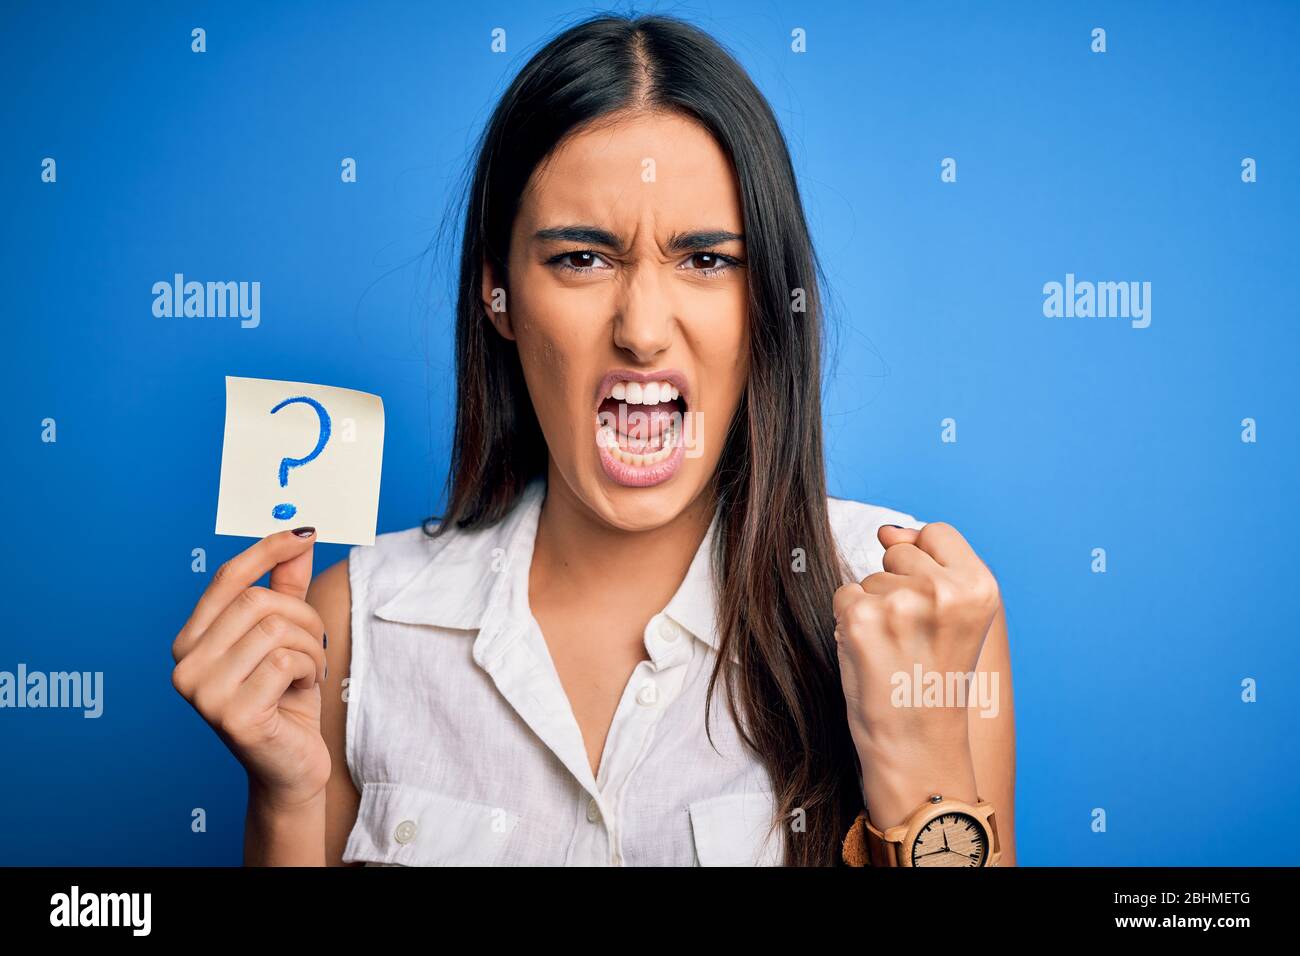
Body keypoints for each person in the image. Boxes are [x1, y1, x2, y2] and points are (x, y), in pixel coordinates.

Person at [171, 12, 1016, 866]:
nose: (643, 330)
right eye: (581, 258)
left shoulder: (919, 614)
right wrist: (287, 801)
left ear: (769, 304)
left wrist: (923, 772)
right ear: (499, 296)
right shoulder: (352, 625)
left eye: (708, 259)